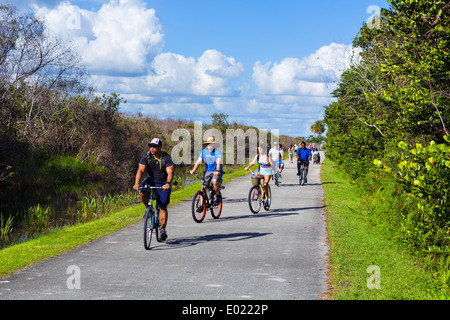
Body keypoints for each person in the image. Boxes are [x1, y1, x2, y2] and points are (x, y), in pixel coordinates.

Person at [133, 138, 174, 241]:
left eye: (154, 147)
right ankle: (149, 210)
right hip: (151, 180)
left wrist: (168, 183)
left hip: (163, 182)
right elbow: (140, 170)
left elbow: (170, 172)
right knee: (142, 192)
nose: (152, 148)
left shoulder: (166, 157)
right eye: (150, 146)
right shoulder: (147, 156)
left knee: (162, 207)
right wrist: (137, 183)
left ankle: (162, 230)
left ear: (159, 147)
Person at [190, 136, 223, 205]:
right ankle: (202, 205)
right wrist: (193, 170)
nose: (209, 146)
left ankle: (217, 196)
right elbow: (198, 161)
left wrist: (217, 170)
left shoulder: (217, 152)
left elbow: (218, 162)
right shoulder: (204, 151)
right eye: (208, 144)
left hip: (216, 170)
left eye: (211, 144)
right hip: (207, 171)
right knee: (204, 188)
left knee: (214, 181)